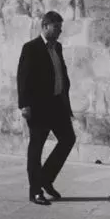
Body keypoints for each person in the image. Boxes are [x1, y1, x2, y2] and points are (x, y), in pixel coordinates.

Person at [17, 11, 76, 205]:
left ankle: (46, 179)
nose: (60, 31)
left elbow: (61, 74)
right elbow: (23, 78)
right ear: (45, 26)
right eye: (56, 27)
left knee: (68, 139)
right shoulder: (31, 48)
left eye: (60, 27)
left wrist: (66, 101)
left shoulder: (57, 47)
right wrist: (24, 105)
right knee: (36, 148)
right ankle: (35, 191)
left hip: (57, 104)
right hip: (39, 107)